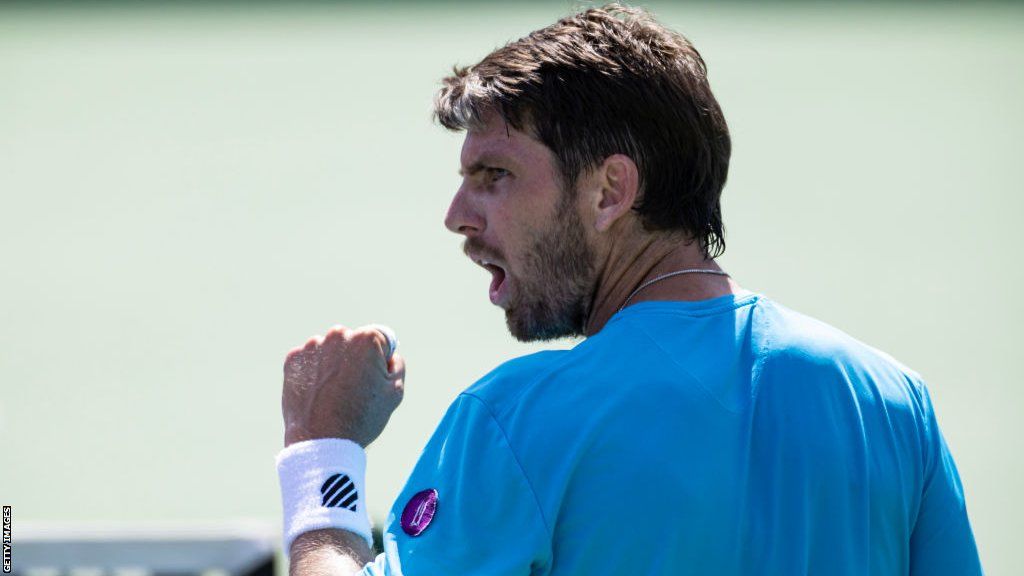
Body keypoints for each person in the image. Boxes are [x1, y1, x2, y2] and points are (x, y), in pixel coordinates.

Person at [275, 4, 983, 575]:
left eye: (494, 175)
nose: (457, 216)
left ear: (610, 191)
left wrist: (321, 449)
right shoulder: (894, 405)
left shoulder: (515, 421)